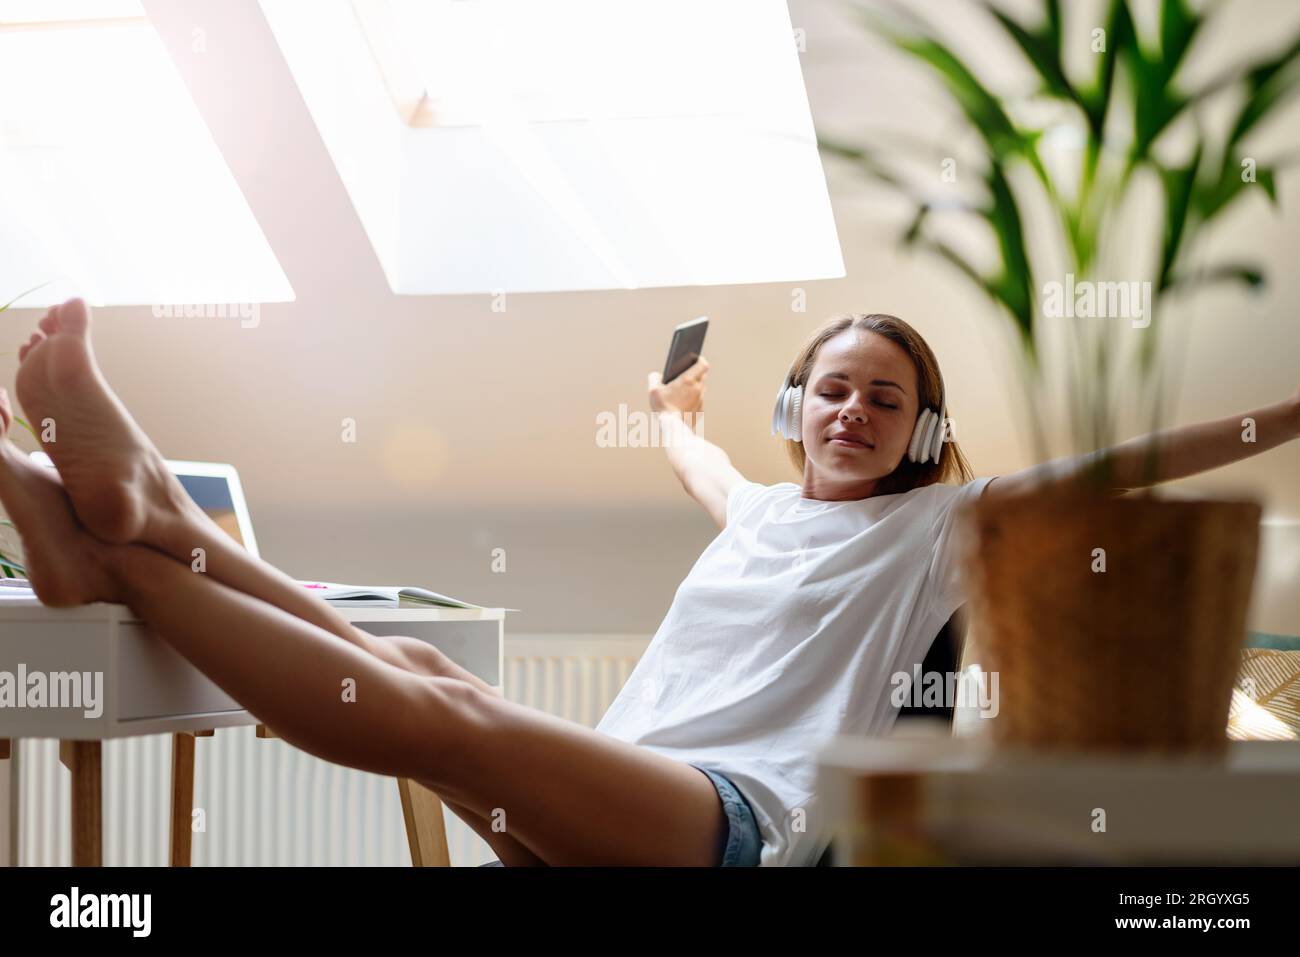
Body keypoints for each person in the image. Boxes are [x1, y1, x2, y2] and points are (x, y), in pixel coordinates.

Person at [0, 301, 1295, 865]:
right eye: (833, 387)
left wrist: (1285, 411)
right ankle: (138, 528)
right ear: (799, 405)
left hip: (728, 823)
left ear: (917, 429)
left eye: (885, 398)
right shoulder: (755, 506)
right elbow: (691, 451)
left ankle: (121, 542)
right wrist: (669, 409)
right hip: (615, 791)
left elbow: (1130, 462)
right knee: (431, 669)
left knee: (439, 715)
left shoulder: (942, 524)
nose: (854, 409)